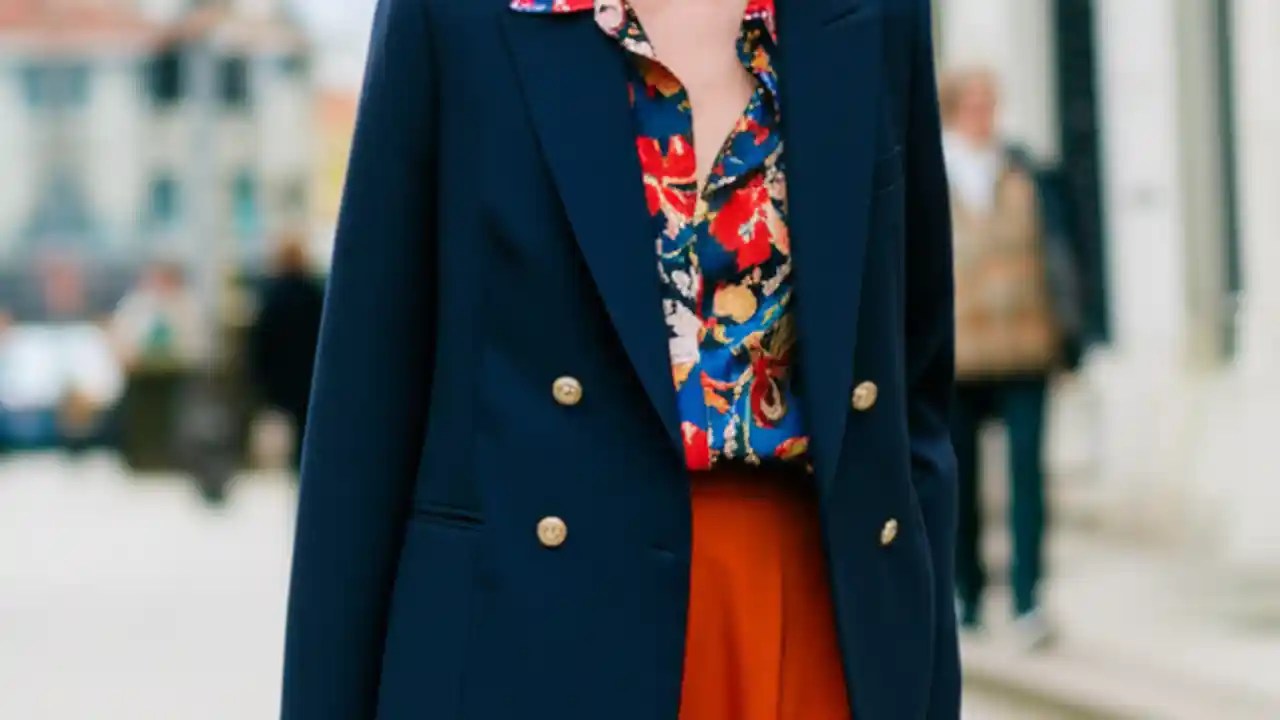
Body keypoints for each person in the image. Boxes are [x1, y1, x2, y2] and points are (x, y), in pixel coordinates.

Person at [282, 0, 960, 718]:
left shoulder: (873, 14)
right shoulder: (456, 16)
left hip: (814, 619)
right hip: (527, 630)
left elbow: (913, 394)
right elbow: (365, 415)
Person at [940, 67, 1083, 650]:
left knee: (1028, 479)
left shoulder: (1026, 170)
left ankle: (1028, 600)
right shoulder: (928, 174)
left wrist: (1071, 332)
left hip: (1026, 348)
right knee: (961, 484)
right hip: (956, 357)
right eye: (972, 103)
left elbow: (1062, 250)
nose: (983, 113)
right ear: (951, 110)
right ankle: (966, 596)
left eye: (989, 102)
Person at [249, 234, 325, 471]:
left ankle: (289, 466)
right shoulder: (314, 294)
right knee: (307, 428)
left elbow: (261, 341)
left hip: (280, 378)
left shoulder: (273, 297)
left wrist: (260, 377)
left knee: (284, 426)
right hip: (310, 374)